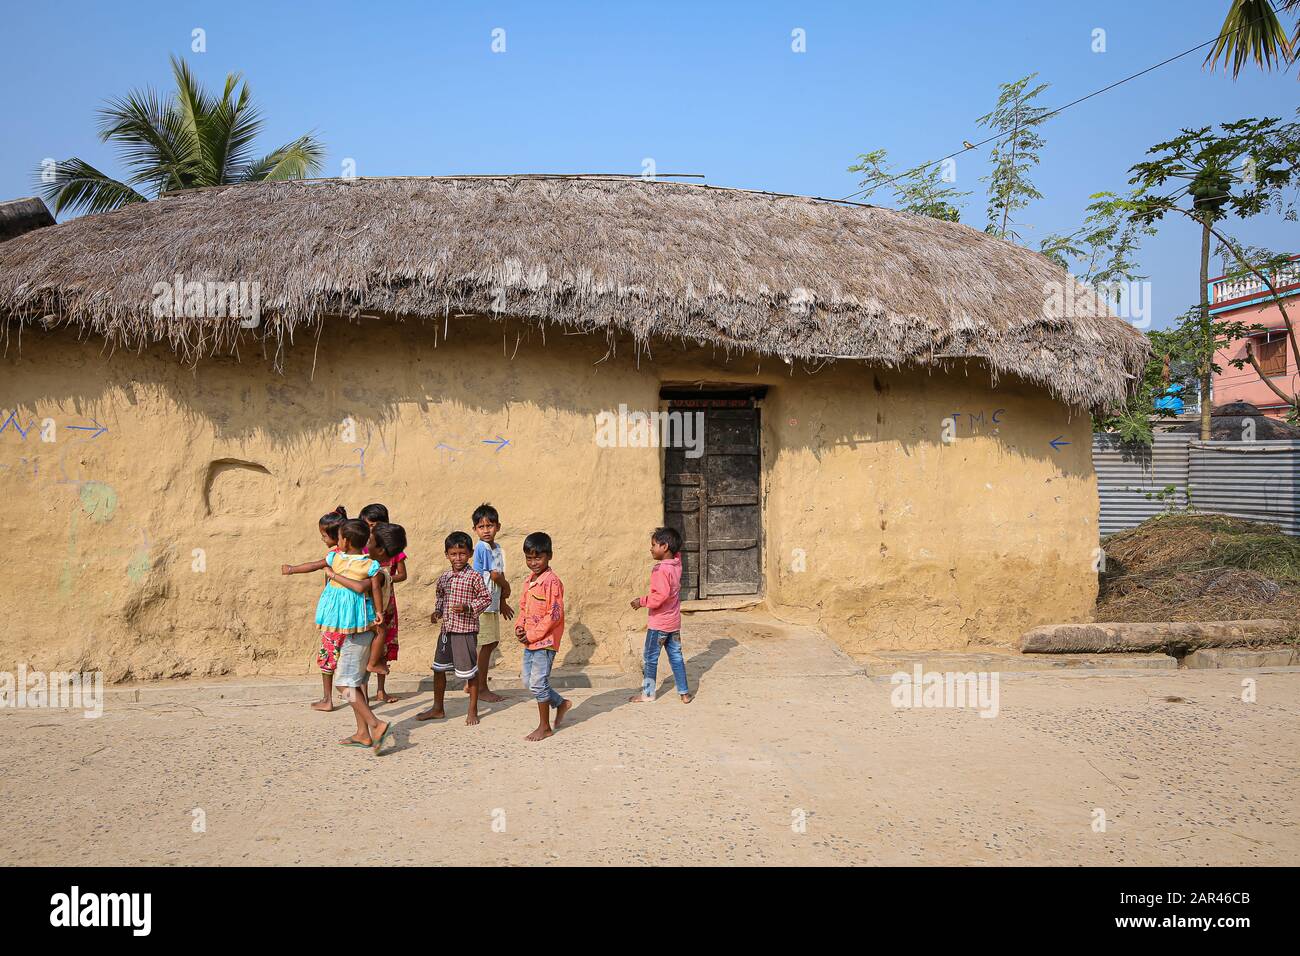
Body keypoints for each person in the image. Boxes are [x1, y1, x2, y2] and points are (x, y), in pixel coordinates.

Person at [318, 518, 391, 752]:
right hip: (364, 634)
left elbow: (360, 589)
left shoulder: (371, 572)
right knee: (357, 685)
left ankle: (375, 724)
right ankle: (363, 734)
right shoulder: (370, 569)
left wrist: (332, 574)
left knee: (343, 683)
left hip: (361, 635)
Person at [280, 505, 350, 711]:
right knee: (353, 657)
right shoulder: (360, 555)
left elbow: (313, 565)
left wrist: (292, 569)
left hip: (334, 616)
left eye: (323, 535)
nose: (322, 539)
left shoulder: (335, 556)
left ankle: (328, 699)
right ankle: (359, 698)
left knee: (329, 654)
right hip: (354, 616)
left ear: (335, 536)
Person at [417, 532, 491, 726]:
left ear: (470, 554)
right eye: (453, 554)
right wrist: (437, 612)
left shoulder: (474, 576)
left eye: (462, 554)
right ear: (446, 555)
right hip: (446, 631)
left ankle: (472, 709)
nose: (458, 558)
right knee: (438, 669)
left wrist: (468, 607)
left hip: (465, 631)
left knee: (469, 673)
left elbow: (485, 598)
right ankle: (438, 708)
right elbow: (440, 597)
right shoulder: (444, 578)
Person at [514, 532, 571, 741]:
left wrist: (532, 634)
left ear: (550, 556)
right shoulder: (529, 581)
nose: (533, 562)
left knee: (538, 682)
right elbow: (523, 608)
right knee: (528, 681)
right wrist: (520, 627)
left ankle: (545, 726)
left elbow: (554, 615)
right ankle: (561, 703)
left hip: (545, 642)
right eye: (529, 558)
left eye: (538, 557)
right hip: (530, 640)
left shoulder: (552, 582)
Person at [628, 527, 690, 703]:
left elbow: (659, 597)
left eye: (654, 545)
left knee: (650, 659)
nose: (651, 549)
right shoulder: (676, 565)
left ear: (665, 547)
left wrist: (640, 601)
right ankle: (684, 693)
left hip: (659, 625)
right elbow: (677, 555)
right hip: (674, 623)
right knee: (677, 658)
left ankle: (647, 694)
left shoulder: (660, 570)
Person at [361, 505, 408, 703]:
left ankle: (381, 690)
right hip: (368, 603)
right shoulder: (364, 548)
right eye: (367, 526)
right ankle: (362, 693)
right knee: (364, 648)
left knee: (384, 646)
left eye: (374, 526)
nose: (370, 530)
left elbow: (403, 574)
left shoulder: (393, 551)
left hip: (387, 602)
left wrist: (385, 580)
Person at [471, 503, 514, 703]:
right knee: (486, 644)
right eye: (481, 526)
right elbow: (496, 576)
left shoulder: (496, 548)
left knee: (491, 642)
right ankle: (480, 688)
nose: (486, 530)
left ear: (498, 526)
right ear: (475, 530)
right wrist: (507, 587)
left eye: (490, 526)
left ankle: (473, 683)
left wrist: (503, 600)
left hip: (491, 602)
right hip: (483, 603)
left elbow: (499, 573)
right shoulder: (482, 547)